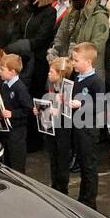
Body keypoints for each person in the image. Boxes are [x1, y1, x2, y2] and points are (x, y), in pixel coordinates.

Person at [66, 42, 105, 209]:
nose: (73, 63)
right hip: (77, 126)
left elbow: (101, 105)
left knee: (89, 166)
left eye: (76, 60)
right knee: (82, 163)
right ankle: (83, 198)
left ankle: (90, 202)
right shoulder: (76, 78)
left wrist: (81, 105)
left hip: (88, 128)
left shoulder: (96, 81)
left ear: (88, 62)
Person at [40, 56, 74, 195]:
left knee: (62, 159)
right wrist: (40, 109)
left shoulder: (68, 87)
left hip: (63, 129)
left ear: (60, 73)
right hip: (51, 127)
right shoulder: (49, 85)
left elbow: (69, 110)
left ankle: (62, 188)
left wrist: (58, 110)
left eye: (51, 72)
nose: (48, 74)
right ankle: (54, 186)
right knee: (53, 157)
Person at [0, 53, 32, 172]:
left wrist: (13, 114)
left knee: (17, 162)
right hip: (7, 130)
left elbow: (28, 109)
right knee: (7, 160)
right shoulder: (5, 85)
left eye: (2, 69)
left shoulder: (19, 88)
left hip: (17, 131)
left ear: (12, 71)